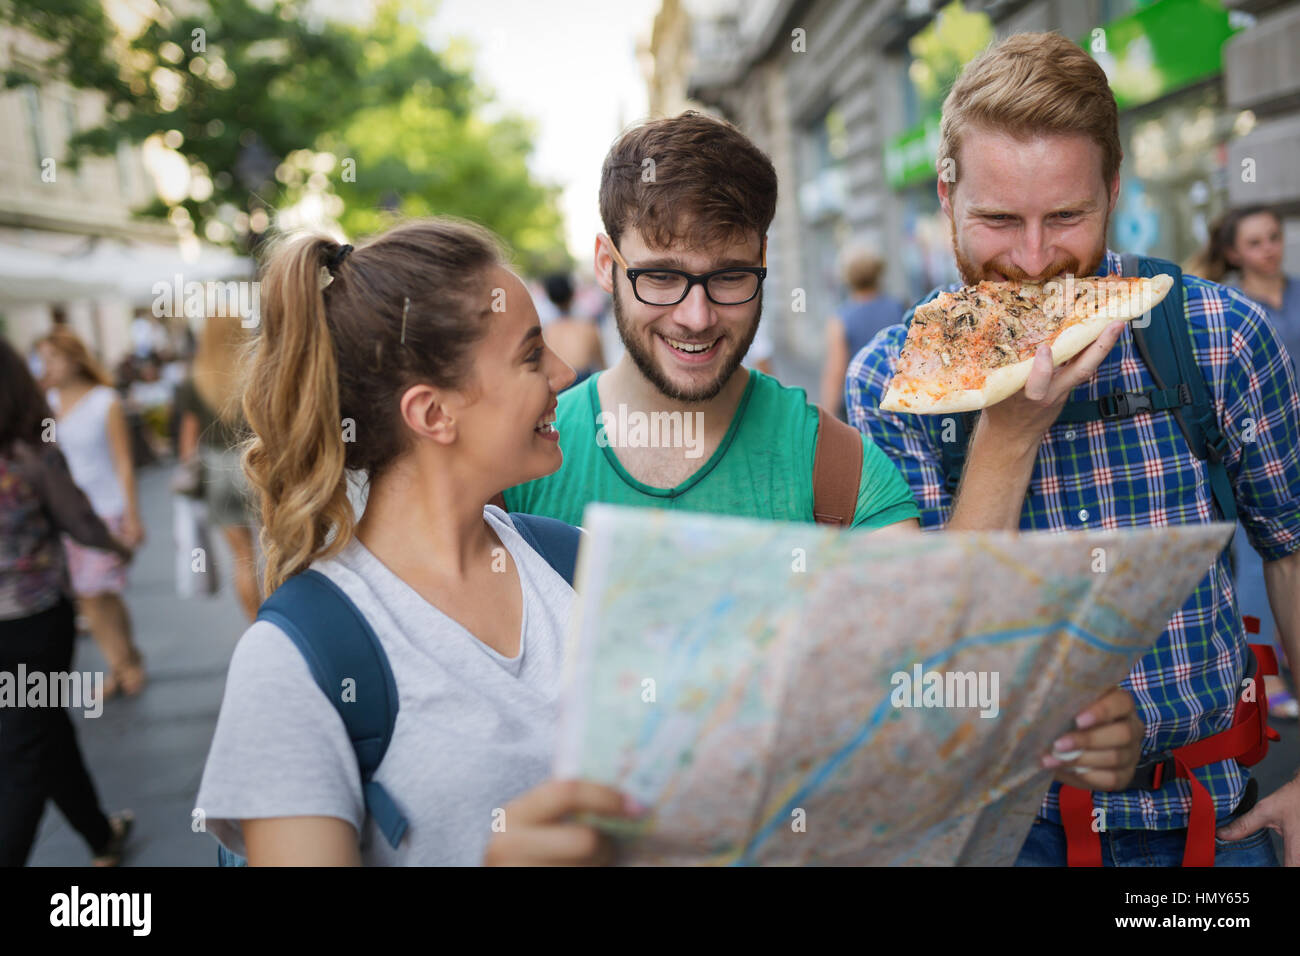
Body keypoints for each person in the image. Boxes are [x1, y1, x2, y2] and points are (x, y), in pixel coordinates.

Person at [502, 109, 1142, 784]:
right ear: (607, 265)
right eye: (660, 277)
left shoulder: (839, 471)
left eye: (729, 277)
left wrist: (1066, 735)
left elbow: (941, 678)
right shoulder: (516, 464)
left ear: (765, 262)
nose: (695, 317)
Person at [848, 32, 1300, 867]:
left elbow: (1292, 551)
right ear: (946, 198)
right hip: (1009, 834)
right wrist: (1009, 434)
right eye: (995, 219)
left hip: (1208, 819)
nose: (1031, 260)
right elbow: (934, 658)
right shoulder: (891, 379)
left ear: (1115, 191)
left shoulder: (1218, 335)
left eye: (1065, 216)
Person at [195, 219, 640, 865]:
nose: (566, 372)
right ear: (433, 413)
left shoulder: (578, 562)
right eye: (530, 354)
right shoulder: (295, 661)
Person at [0, 338, 135, 866]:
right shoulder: (28, 455)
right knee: (28, 748)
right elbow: (78, 520)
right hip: (32, 621)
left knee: (42, 727)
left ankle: (101, 836)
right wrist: (119, 544)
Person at [1189, 207, 1300, 720]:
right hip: (1257, 447)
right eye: (1255, 242)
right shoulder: (1231, 311)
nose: (1269, 249)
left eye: (1274, 237)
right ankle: (1269, 676)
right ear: (1234, 253)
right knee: (1262, 556)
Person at [37, 328, 147, 698]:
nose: (46, 365)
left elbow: (123, 461)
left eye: (52, 357)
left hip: (105, 510)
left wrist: (133, 514)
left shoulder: (104, 401)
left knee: (96, 594)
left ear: (74, 358)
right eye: (42, 358)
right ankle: (126, 660)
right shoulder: (47, 404)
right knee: (97, 595)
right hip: (68, 514)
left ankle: (123, 666)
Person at [174, 312, 260, 620]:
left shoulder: (194, 380)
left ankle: (257, 626)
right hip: (255, 465)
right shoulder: (255, 372)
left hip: (215, 471)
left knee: (242, 557)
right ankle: (286, 626)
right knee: (276, 554)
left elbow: (188, 443)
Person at [819, 248, 905, 418]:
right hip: (898, 399)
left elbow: (836, 371)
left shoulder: (840, 319)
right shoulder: (898, 307)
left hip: (860, 406)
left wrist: (826, 416)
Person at [539, 273, 604, 389]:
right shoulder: (587, 327)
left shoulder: (547, 332)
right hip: (584, 386)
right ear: (572, 294)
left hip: (559, 390)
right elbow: (602, 366)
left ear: (550, 298)